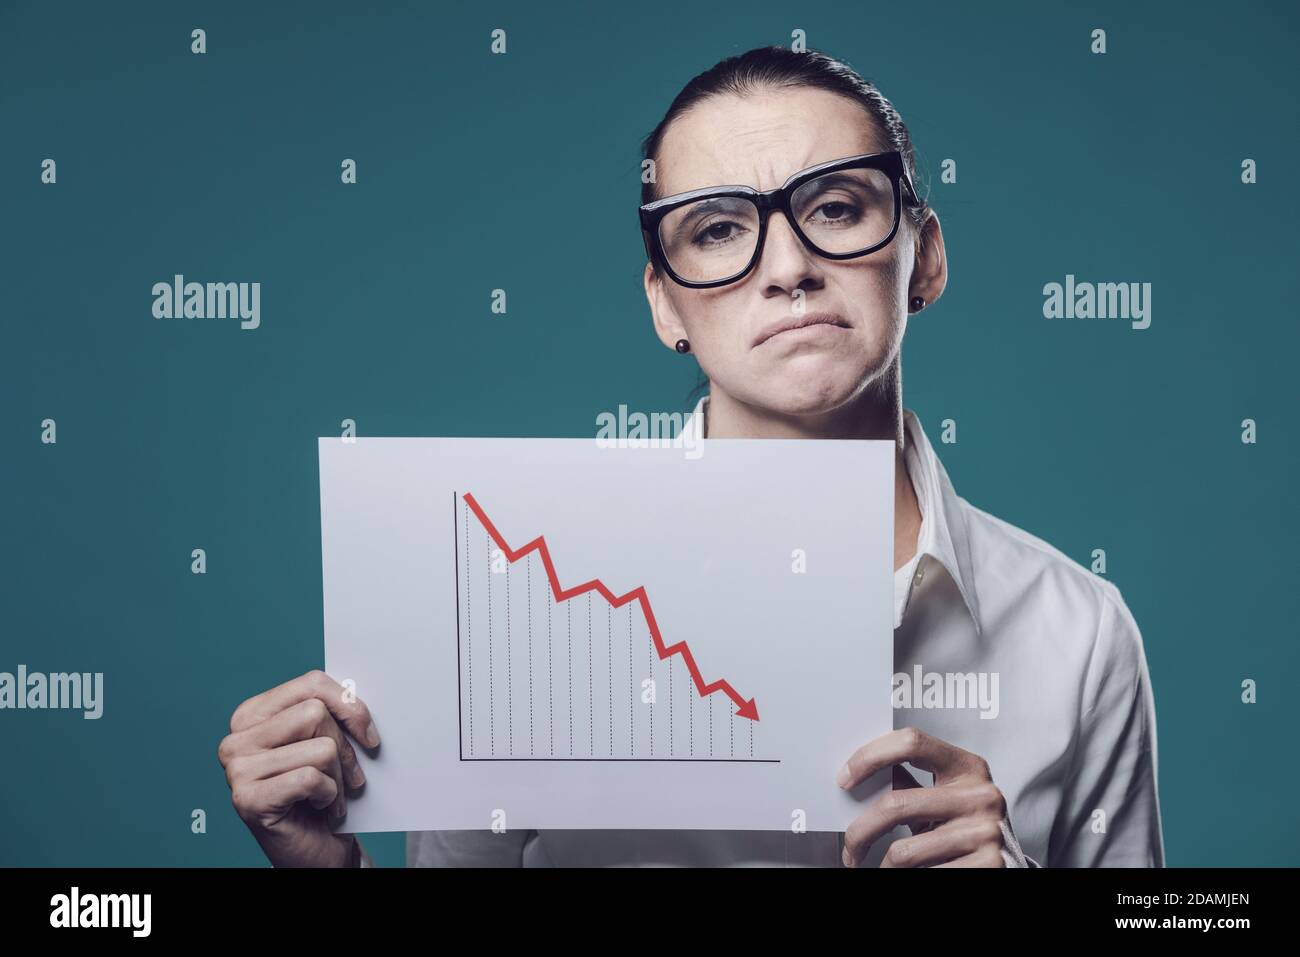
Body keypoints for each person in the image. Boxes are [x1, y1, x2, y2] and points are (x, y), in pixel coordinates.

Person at [218, 46, 1164, 868]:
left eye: (836, 207)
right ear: (666, 305)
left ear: (923, 257)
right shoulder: (515, 602)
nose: (788, 267)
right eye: (717, 229)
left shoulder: (1080, 632)